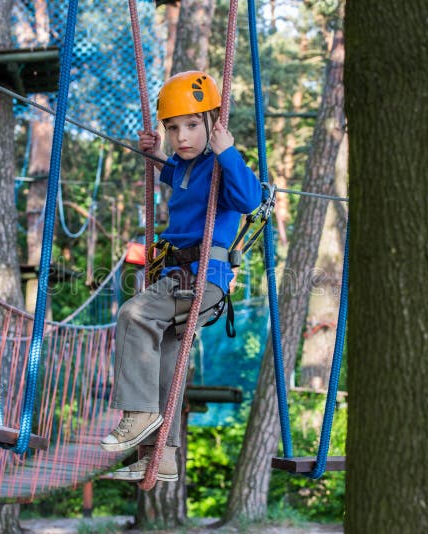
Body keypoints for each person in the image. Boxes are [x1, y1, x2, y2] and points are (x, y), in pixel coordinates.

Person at [100, 71, 261, 482]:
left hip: (200, 277)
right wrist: (152, 153)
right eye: (173, 128)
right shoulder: (184, 165)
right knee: (166, 357)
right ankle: (163, 456)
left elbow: (249, 199)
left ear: (214, 124)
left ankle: (138, 413)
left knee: (134, 316)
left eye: (192, 125)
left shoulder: (223, 168)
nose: (182, 136)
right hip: (178, 276)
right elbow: (172, 172)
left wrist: (228, 152)